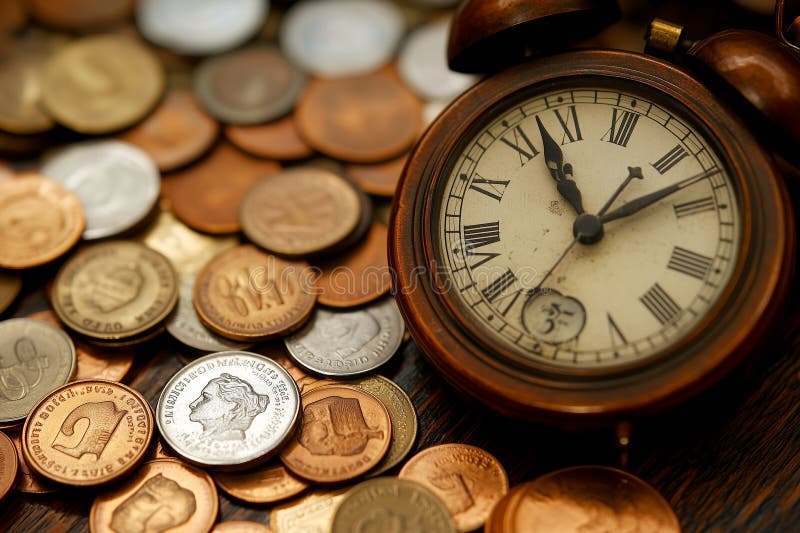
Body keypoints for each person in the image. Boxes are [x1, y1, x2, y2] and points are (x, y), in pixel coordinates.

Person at [188, 373, 269, 441]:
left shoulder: (231, 439)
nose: (192, 404)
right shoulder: (206, 438)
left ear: (231, 405)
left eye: (206, 398)